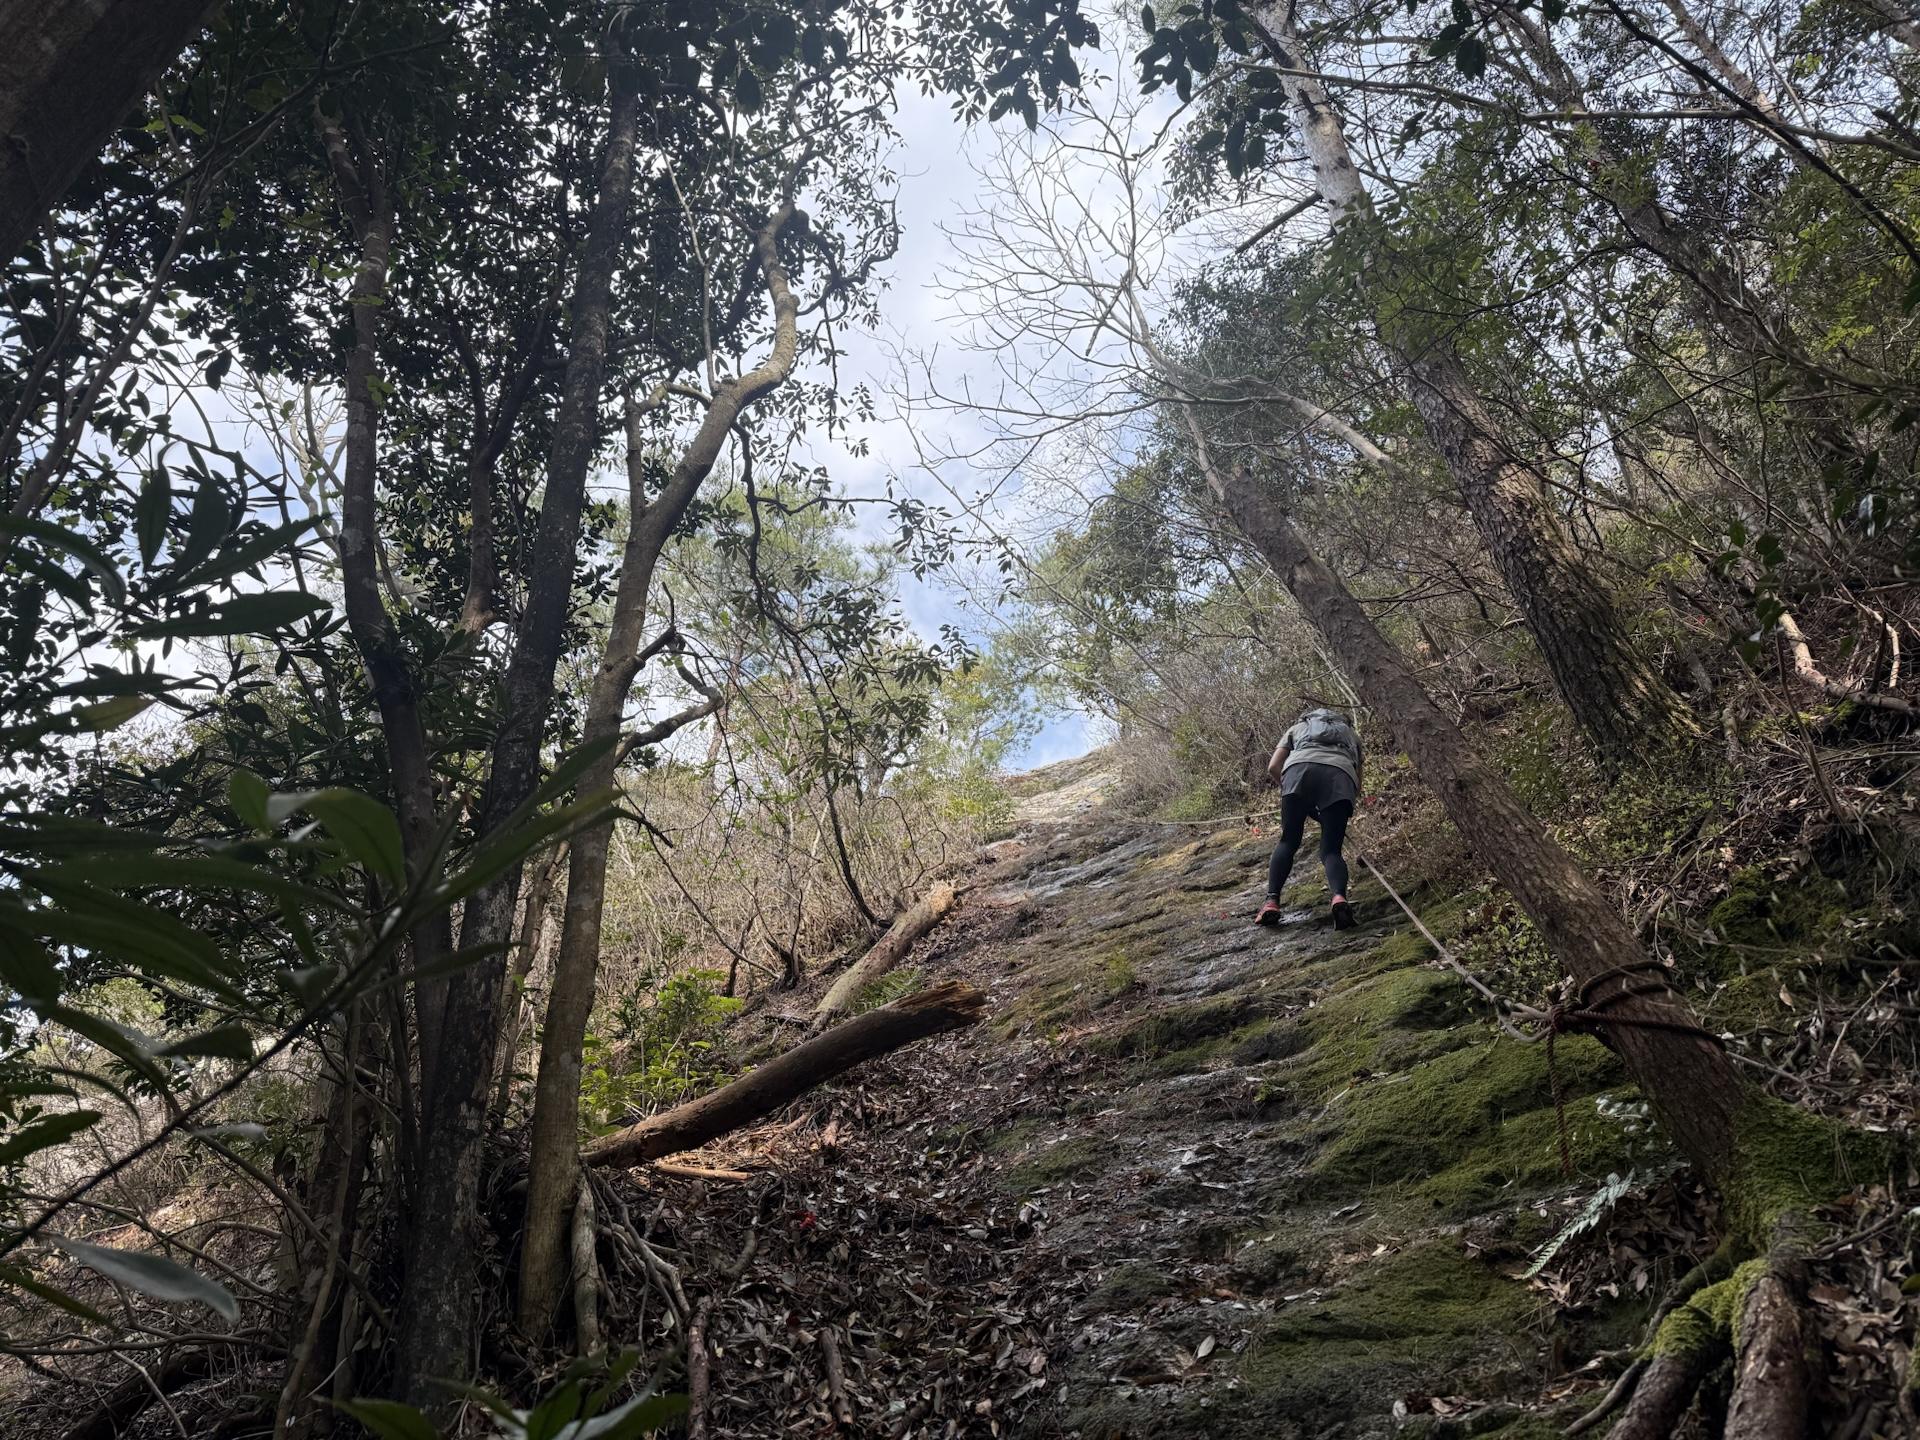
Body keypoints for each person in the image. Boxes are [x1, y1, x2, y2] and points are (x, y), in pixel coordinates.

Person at [1255, 707, 1362, 930]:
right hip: (1340, 777)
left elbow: (1273, 766)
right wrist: (1331, 808)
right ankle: (1339, 898)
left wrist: (1291, 792)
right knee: (1331, 850)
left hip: (1298, 771)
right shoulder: (1351, 736)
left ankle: (1271, 902)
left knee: (1288, 841)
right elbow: (1357, 782)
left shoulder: (1298, 728)